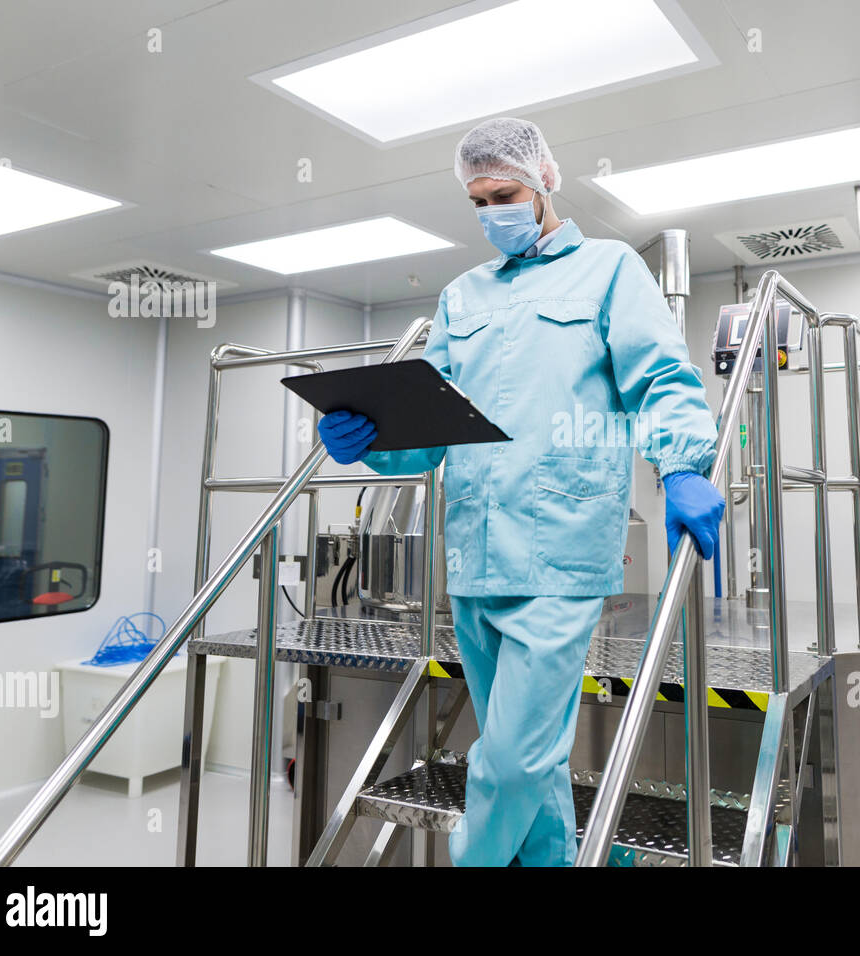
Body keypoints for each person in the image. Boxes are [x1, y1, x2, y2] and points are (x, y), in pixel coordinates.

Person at [317, 117, 724, 866]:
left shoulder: (607, 271)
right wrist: (373, 440)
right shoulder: (461, 297)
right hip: (474, 558)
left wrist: (683, 464)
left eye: (503, 193)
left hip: (561, 556)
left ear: (545, 181)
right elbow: (432, 426)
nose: (491, 212)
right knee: (531, 771)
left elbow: (660, 376)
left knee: (505, 763)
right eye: (477, 200)